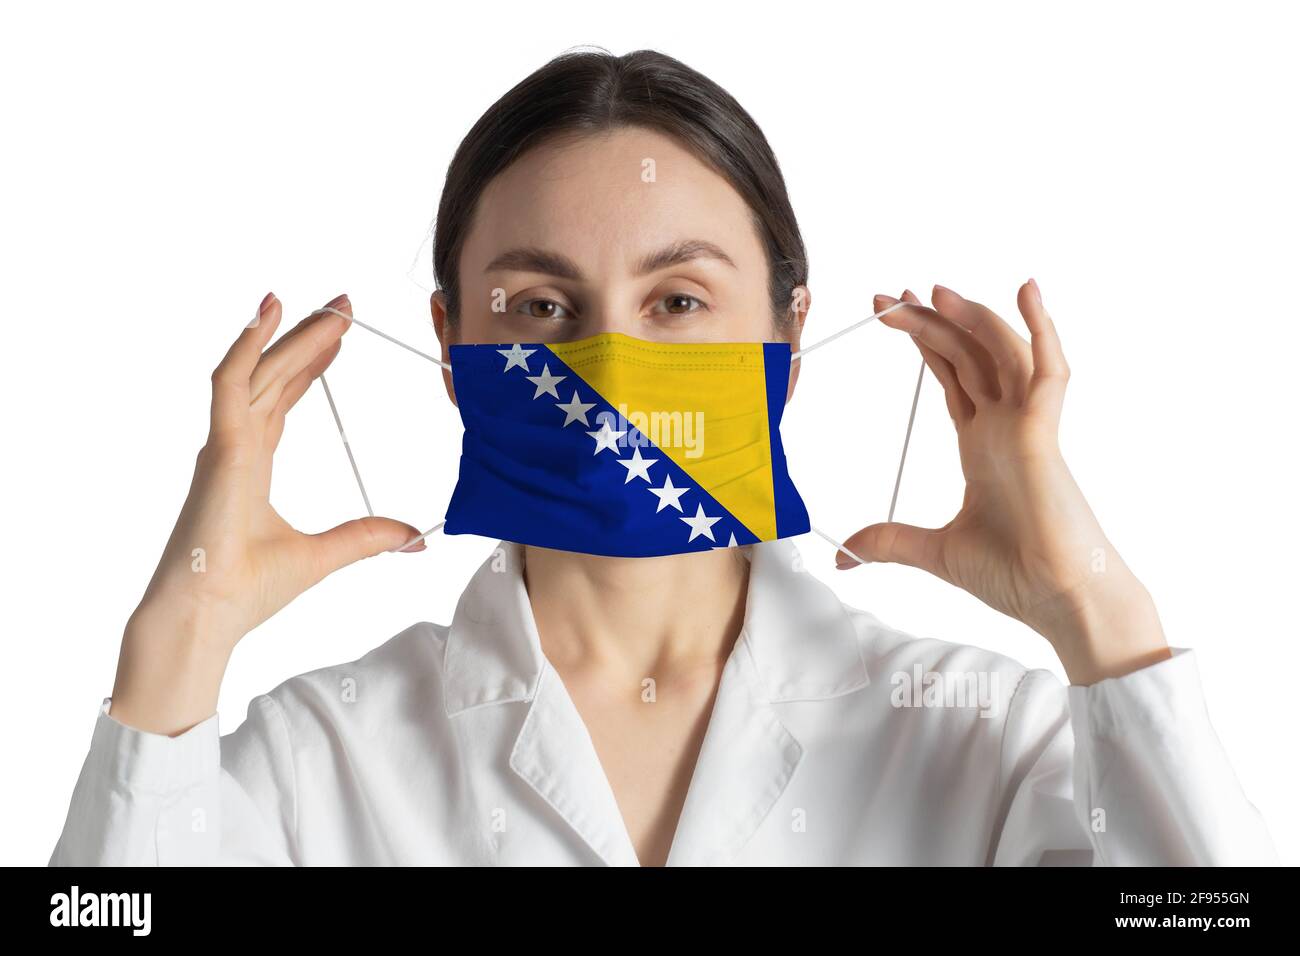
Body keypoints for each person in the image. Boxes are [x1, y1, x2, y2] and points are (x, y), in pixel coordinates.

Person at [49, 48, 1276, 866]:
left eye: (678, 300)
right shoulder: (318, 761)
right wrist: (181, 637)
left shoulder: (979, 739)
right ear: (450, 339)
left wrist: (1094, 612)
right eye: (537, 307)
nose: (611, 367)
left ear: (788, 333)